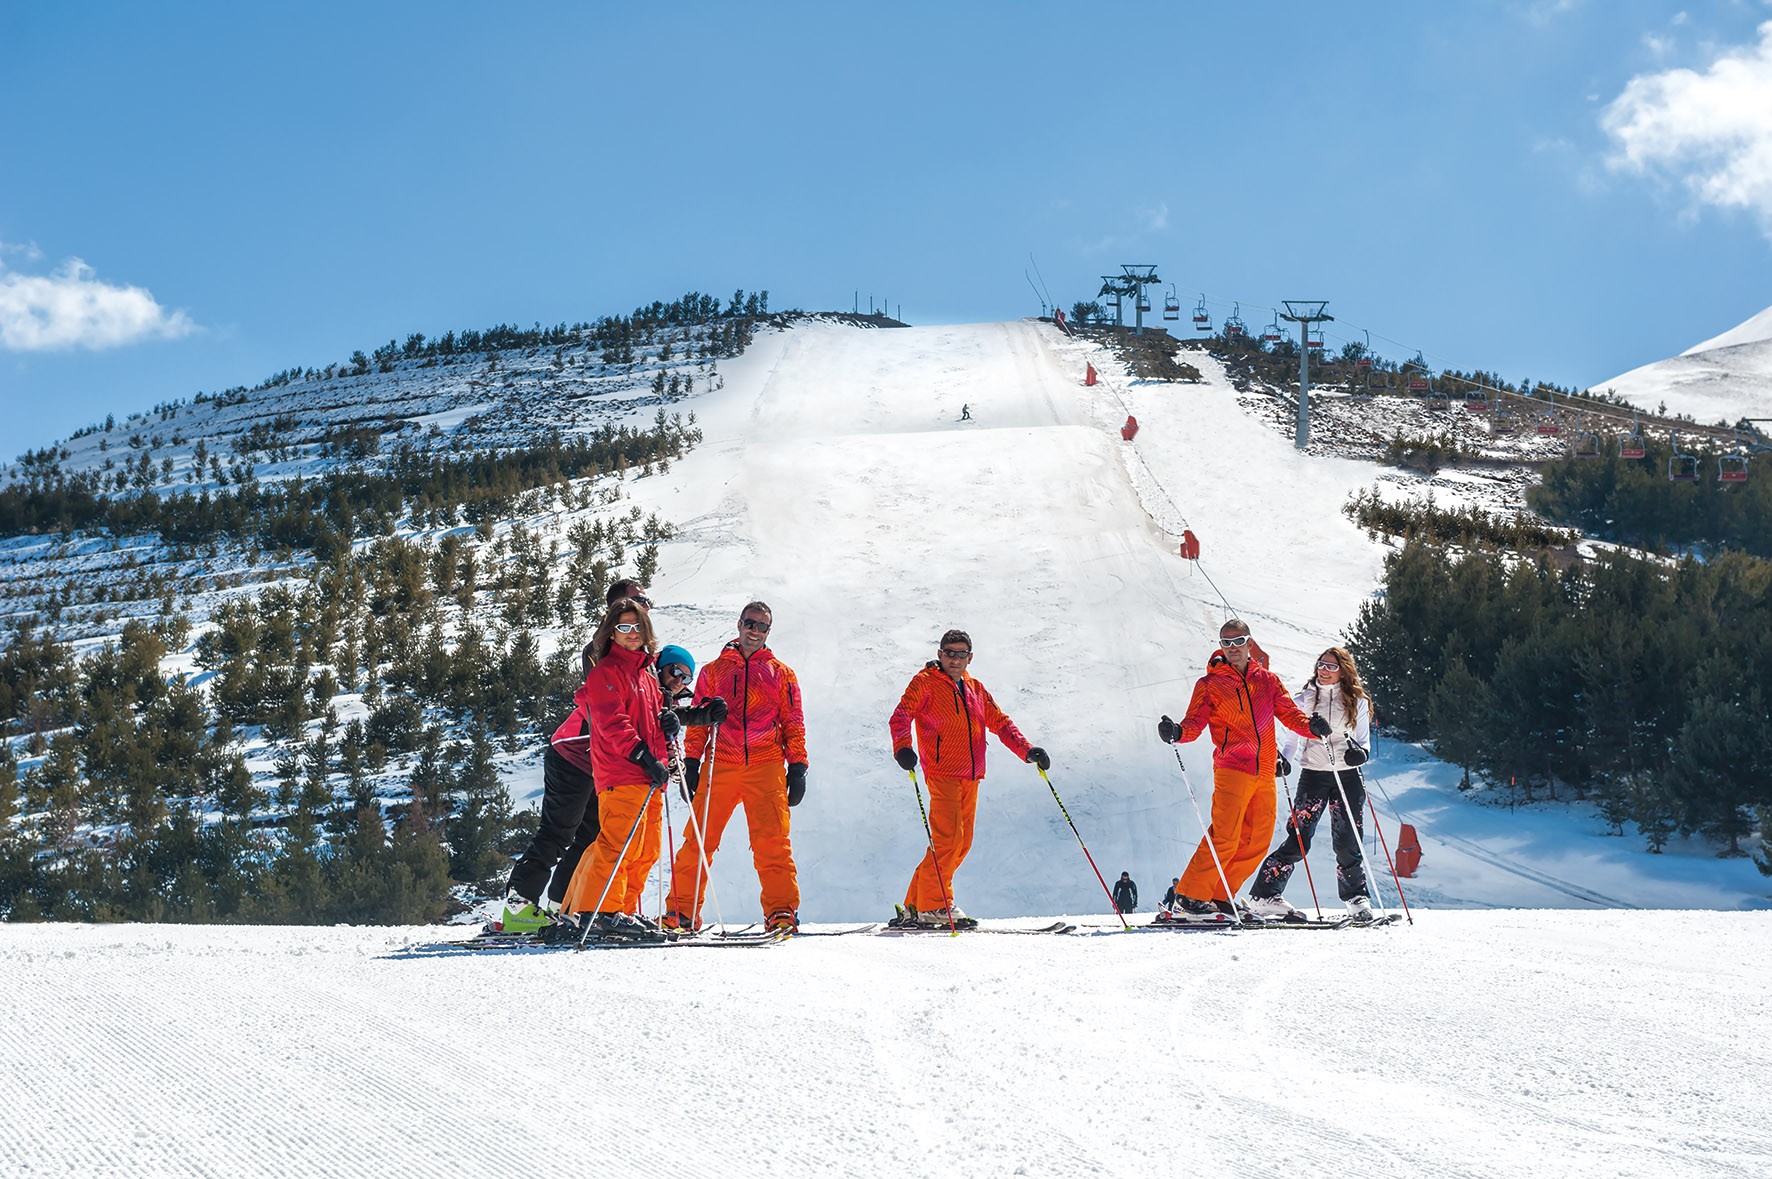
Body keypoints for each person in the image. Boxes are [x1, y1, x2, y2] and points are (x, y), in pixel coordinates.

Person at [498, 578, 651, 933]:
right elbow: (610, 707)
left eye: (646, 602)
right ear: (616, 609)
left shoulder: (642, 657)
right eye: (637, 602)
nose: (644, 607)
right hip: (574, 751)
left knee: (592, 836)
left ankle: (563, 905)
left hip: (604, 761)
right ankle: (518, 907)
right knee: (558, 832)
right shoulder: (601, 651)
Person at [1157, 619, 1329, 920]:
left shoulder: (1268, 681)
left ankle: (1221, 894)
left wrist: (1311, 728)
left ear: (1250, 643)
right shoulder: (1209, 685)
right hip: (1232, 767)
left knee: (1257, 839)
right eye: (1227, 642)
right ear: (1220, 645)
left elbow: (1289, 714)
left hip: (1264, 770)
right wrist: (1177, 732)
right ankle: (1190, 895)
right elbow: (1195, 723)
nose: (1233, 648)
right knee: (1225, 835)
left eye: (1239, 641)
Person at [663, 601, 808, 934]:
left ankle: (781, 912)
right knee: (698, 840)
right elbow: (698, 721)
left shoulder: (782, 674)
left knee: (773, 843)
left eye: (761, 626)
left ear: (769, 632)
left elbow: (793, 721)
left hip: (767, 764)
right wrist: (692, 761)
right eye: (750, 623)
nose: (754, 631)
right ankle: (681, 914)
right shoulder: (714, 671)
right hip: (720, 766)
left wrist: (797, 766)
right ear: (739, 624)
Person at [888, 628, 1048, 928]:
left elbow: (999, 722)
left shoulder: (974, 687)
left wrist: (1027, 751)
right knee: (949, 840)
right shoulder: (925, 683)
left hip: (971, 774)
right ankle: (936, 906)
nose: (955, 659)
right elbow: (900, 716)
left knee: (960, 844)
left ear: (970, 657)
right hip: (942, 771)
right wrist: (903, 749)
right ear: (940, 654)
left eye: (961, 654)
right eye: (949, 653)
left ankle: (914, 904)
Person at [557, 597, 674, 939]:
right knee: (618, 843)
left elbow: (648, 722)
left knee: (645, 850)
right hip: (623, 772)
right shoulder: (605, 673)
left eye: (637, 626)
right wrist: (643, 756)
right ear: (611, 633)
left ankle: (623, 910)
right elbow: (613, 723)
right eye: (624, 627)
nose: (632, 633)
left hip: (651, 776)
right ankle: (602, 912)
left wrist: (666, 725)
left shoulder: (646, 676)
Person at [1246, 647, 1376, 922]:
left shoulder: (1357, 701)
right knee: (1299, 836)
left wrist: (1360, 755)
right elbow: (1292, 739)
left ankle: (1356, 898)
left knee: (1348, 838)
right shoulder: (1304, 698)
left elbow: (1364, 742)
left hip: (1347, 776)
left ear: (1343, 670)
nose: (1323, 670)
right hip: (1314, 774)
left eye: (1330, 666)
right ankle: (1264, 894)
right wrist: (1284, 760)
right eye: (1321, 664)